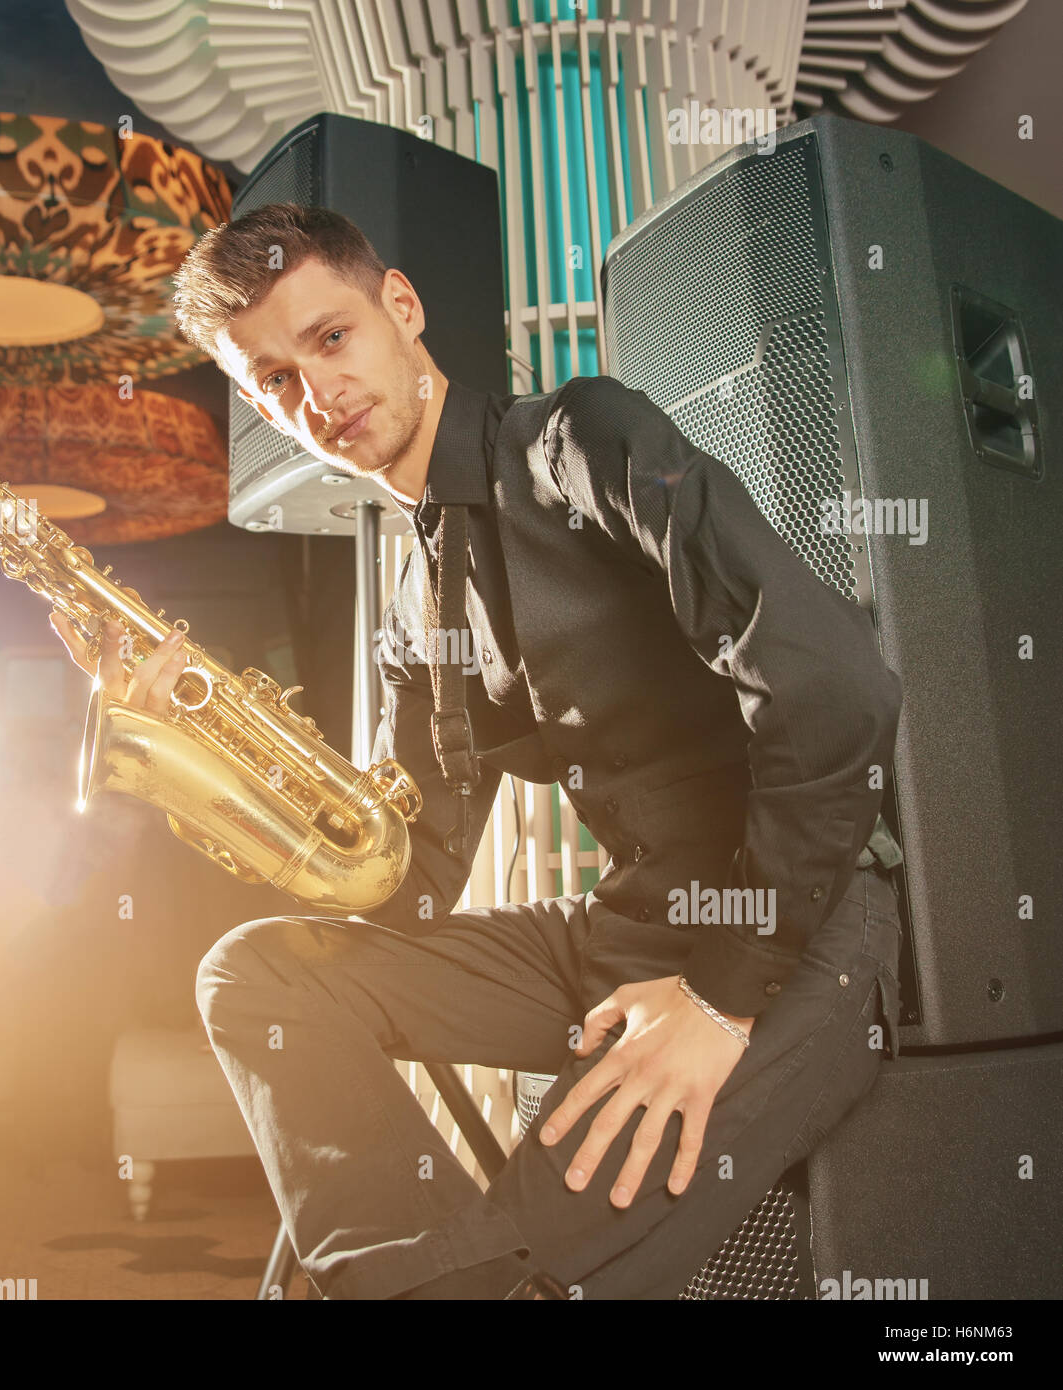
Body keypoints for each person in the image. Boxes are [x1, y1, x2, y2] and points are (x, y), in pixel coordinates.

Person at [52, 203, 905, 1301]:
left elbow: (836, 683)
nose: (317, 396)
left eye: (330, 339)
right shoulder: (414, 606)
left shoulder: (581, 440)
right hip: (621, 931)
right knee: (258, 974)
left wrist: (723, 994)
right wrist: (195, 744)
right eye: (275, 382)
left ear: (398, 308)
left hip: (792, 933)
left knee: (505, 1268)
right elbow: (404, 886)